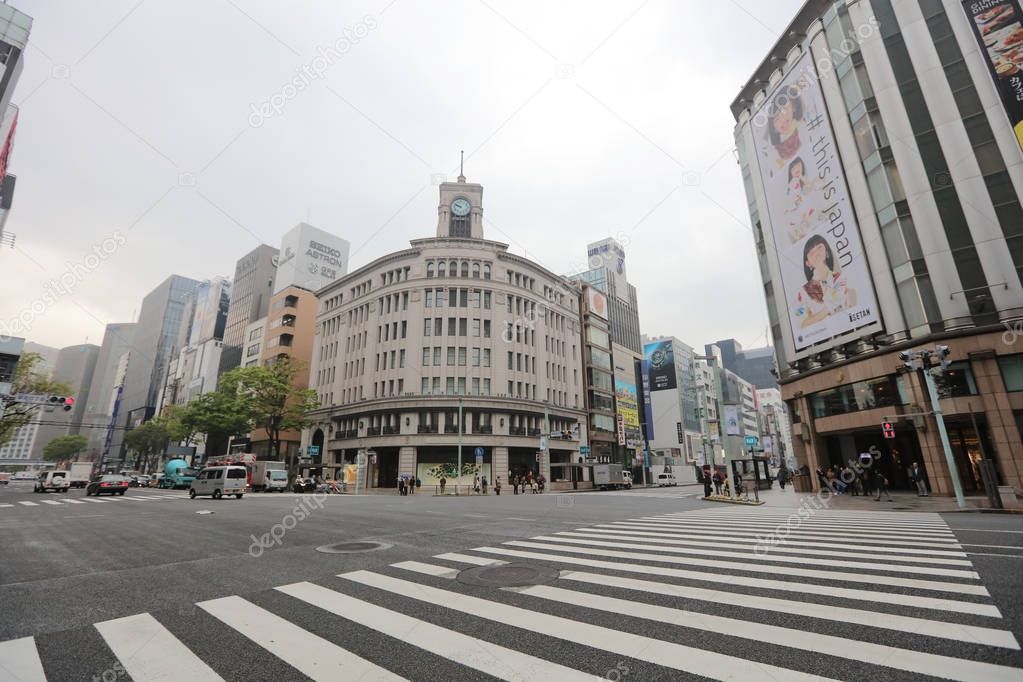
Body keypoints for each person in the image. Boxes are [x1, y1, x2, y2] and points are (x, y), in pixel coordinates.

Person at [794, 235, 857, 330]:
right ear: (808, 263)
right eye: (811, 252)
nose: (817, 253)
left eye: (819, 247)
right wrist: (828, 310)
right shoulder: (802, 293)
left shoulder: (842, 278)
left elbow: (850, 306)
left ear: (826, 251)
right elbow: (802, 324)